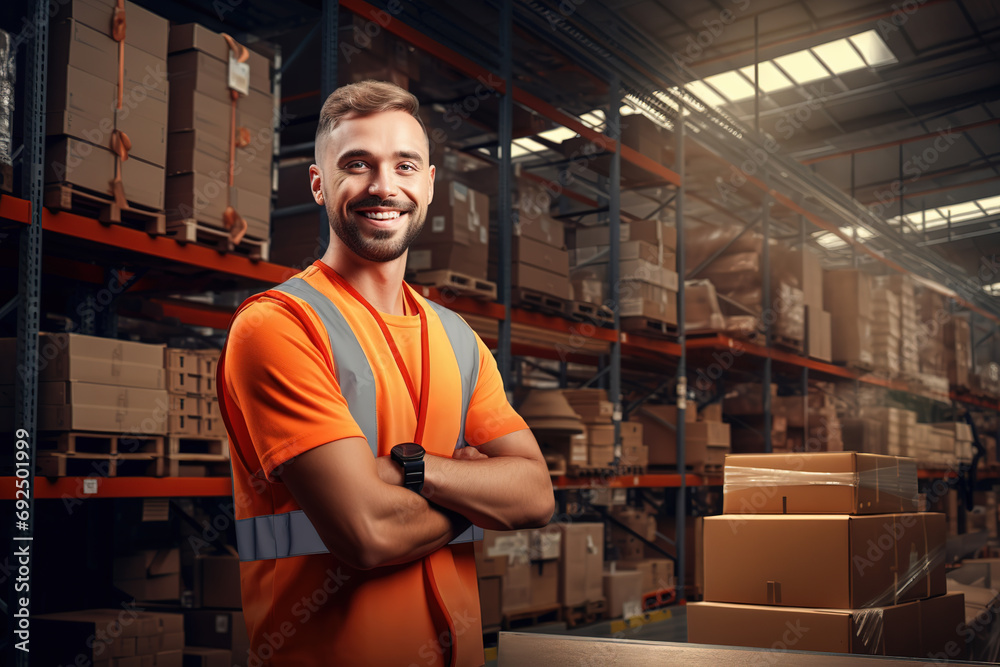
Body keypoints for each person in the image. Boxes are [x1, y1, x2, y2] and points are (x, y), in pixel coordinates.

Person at [216, 80, 555, 667]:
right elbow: (367, 534)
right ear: (319, 184)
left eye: (405, 165)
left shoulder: (458, 338)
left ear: (427, 184)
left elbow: (536, 495)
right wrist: (477, 487)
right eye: (357, 164)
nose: (383, 186)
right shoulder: (280, 326)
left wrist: (411, 472)